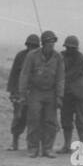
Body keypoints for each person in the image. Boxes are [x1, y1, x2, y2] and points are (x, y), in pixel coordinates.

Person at [18, 29, 65, 158]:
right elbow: (25, 74)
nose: (52, 44)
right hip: (35, 92)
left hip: (51, 92)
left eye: (53, 42)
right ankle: (33, 148)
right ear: (43, 43)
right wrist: (22, 94)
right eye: (49, 42)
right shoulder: (32, 56)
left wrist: (60, 96)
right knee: (34, 120)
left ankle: (48, 149)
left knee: (50, 122)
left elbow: (61, 77)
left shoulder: (58, 57)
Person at [58, 35, 83, 153]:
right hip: (67, 95)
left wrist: (60, 79)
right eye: (68, 47)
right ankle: (66, 146)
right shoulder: (60, 56)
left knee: (81, 120)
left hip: (80, 94)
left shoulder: (81, 59)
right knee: (66, 120)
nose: (70, 50)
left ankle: (82, 146)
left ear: (76, 48)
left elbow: (72, 75)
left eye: (72, 48)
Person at [7, 33, 40, 150]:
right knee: (18, 117)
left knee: (35, 119)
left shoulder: (40, 57)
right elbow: (14, 75)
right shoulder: (20, 56)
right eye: (30, 45)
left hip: (35, 93)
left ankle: (31, 144)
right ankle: (14, 143)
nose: (31, 47)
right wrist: (12, 92)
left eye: (34, 46)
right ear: (27, 45)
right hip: (20, 93)